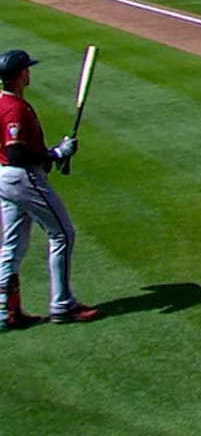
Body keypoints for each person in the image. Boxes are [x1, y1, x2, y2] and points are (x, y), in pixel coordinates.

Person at [0, 50, 97, 328]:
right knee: (62, 234)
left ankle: (6, 311)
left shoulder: (4, 103)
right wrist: (54, 154)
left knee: (12, 245)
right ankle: (63, 304)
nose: (29, 73)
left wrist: (50, 155)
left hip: (5, 177)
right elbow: (17, 153)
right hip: (22, 178)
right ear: (20, 75)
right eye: (26, 69)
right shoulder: (14, 108)